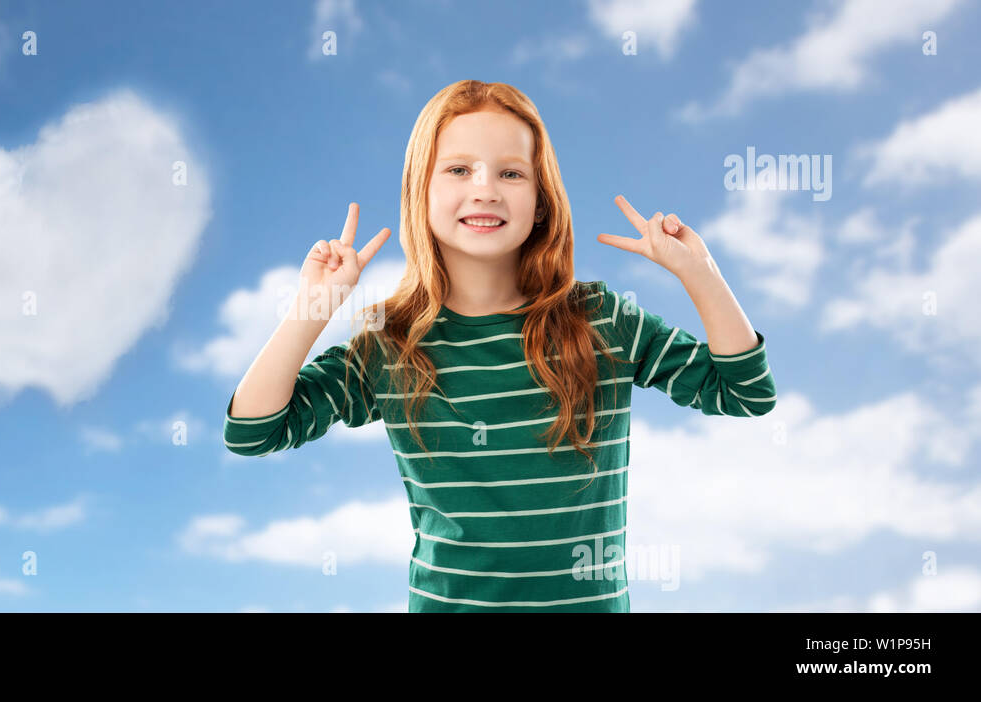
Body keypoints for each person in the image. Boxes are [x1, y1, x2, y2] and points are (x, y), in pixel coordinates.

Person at [223, 79, 776, 612]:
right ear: (422, 191)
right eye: (459, 169)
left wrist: (700, 273)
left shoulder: (602, 320)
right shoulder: (388, 347)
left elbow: (746, 393)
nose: (484, 188)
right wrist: (312, 307)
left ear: (540, 201)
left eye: (511, 172)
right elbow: (252, 432)